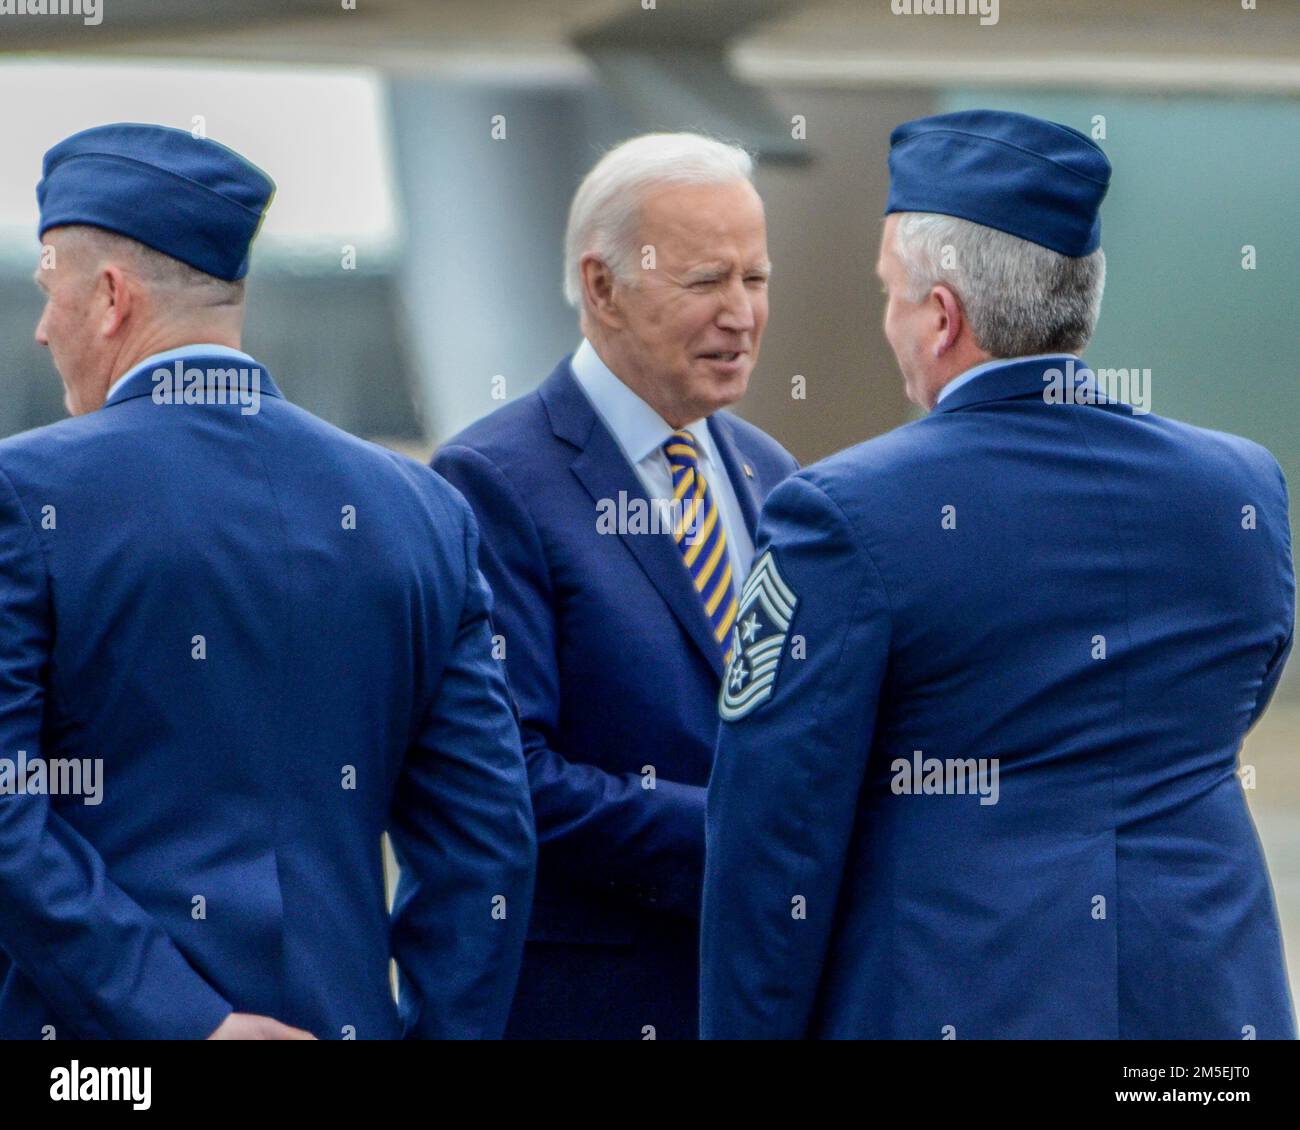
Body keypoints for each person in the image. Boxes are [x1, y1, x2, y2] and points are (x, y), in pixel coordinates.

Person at [700, 109, 1295, 1039]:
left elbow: (773, 837)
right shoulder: (1243, 487)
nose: (888, 319)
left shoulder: (839, 514)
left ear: (943, 318)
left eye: (892, 294)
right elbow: (1235, 698)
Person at [0, 123, 536, 1039]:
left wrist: (186, 1022)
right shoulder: (422, 511)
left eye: (52, 291)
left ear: (112, 298)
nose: (44, 327)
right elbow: (487, 842)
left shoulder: (23, 493)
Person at [435, 133, 797, 1039]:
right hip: (592, 1007)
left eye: (754, 281)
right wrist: (750, 839)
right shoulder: (494, 478)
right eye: (706, 281)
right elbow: (508, 777)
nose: (742, 315)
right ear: (602, 286)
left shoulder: (772, 473)